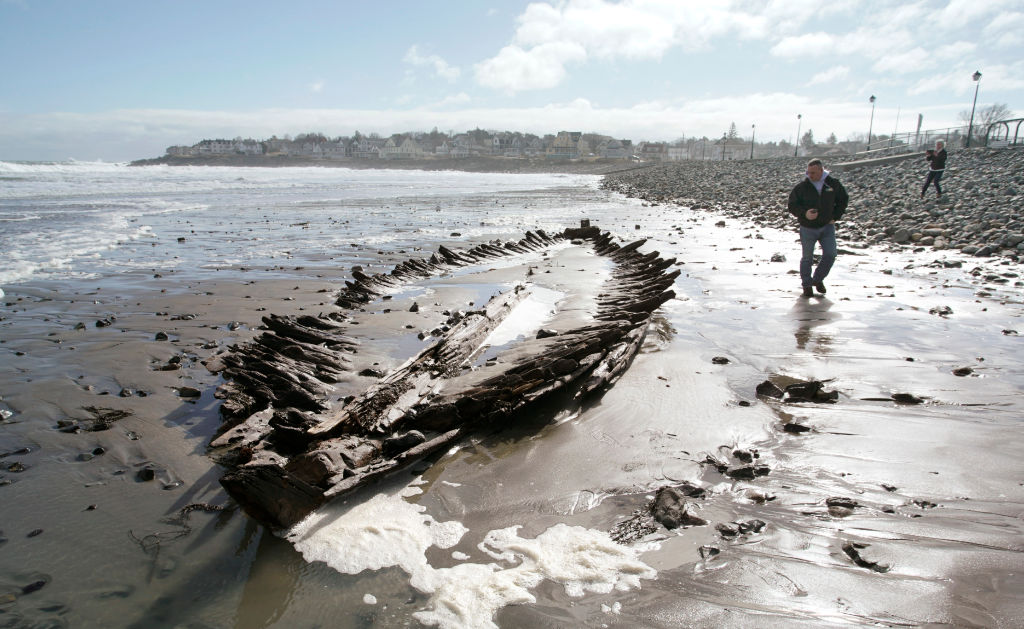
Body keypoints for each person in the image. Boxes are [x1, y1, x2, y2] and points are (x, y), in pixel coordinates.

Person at [787, 159, 850, 297]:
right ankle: (807, 285)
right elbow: (792, 205)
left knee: (831, 254)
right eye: (808, 173)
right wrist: (805, 214)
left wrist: (836, 216)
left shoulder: (832, 184)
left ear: (821, 171)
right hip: (807, 227)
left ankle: (817, 279)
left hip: (827, 226)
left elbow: (843, 200)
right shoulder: (802, 187)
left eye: (813, 173)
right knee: (807, 258)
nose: (810, 175)